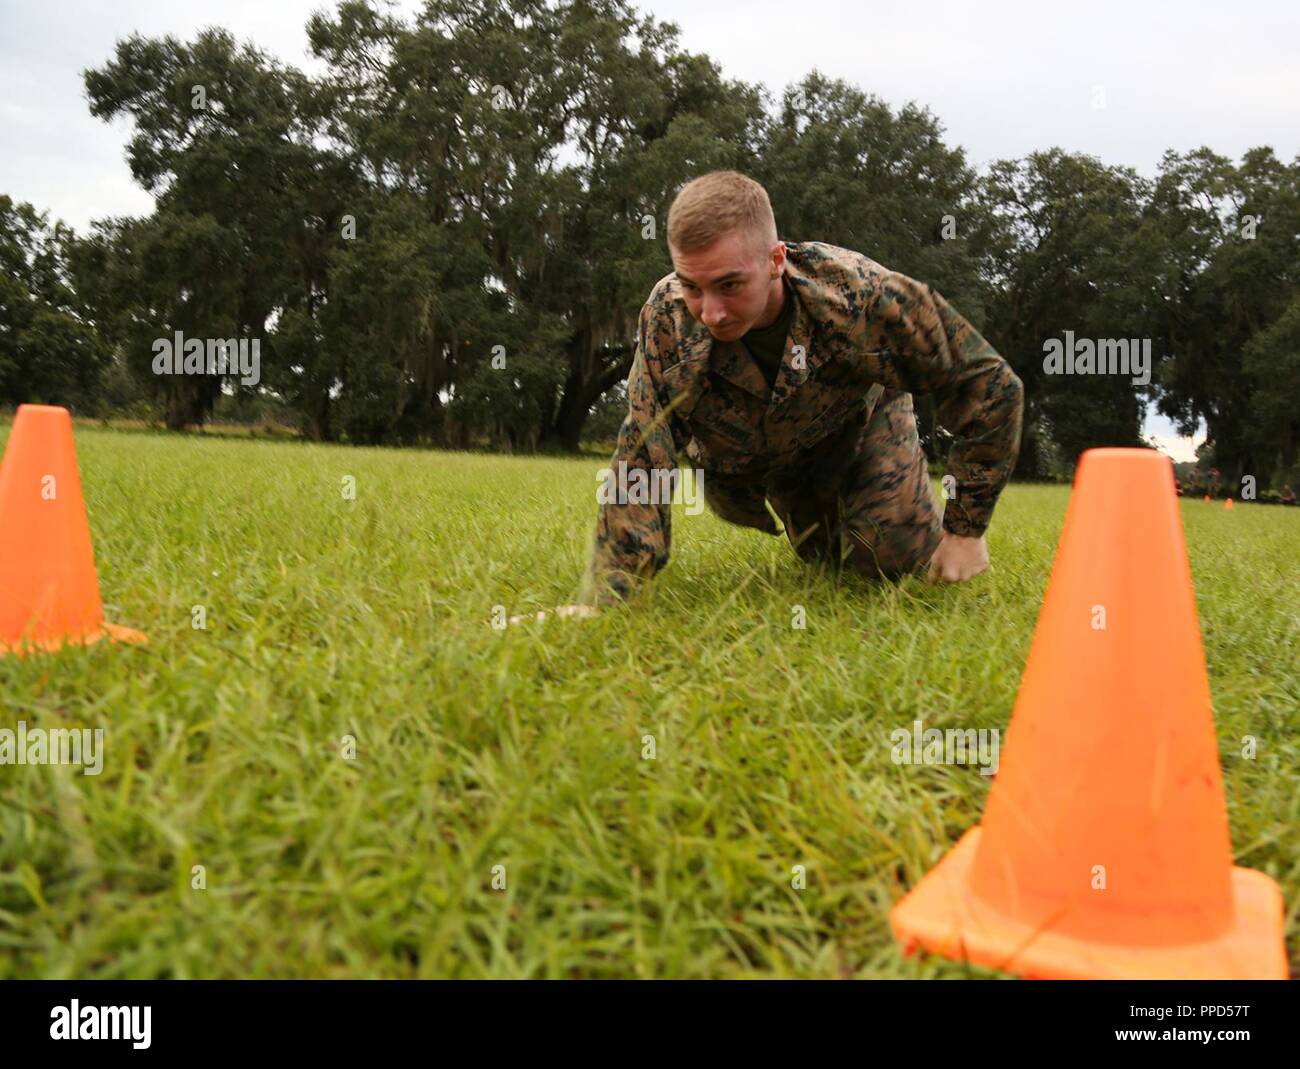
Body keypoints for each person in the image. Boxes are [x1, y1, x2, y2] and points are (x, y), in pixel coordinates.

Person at [517, 170, 1024, 622]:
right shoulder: (667, 317)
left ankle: (872, 516)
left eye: (730, 284)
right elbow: (644, 446)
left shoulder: (859, 295)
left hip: (858, 423)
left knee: (890, 560)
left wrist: (965, 530)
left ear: (776, 259)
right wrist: (610, 596)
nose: (711, 311)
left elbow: (989, 384)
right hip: (746, 462)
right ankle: (813, 521)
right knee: (826, 558)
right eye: (692, 285)